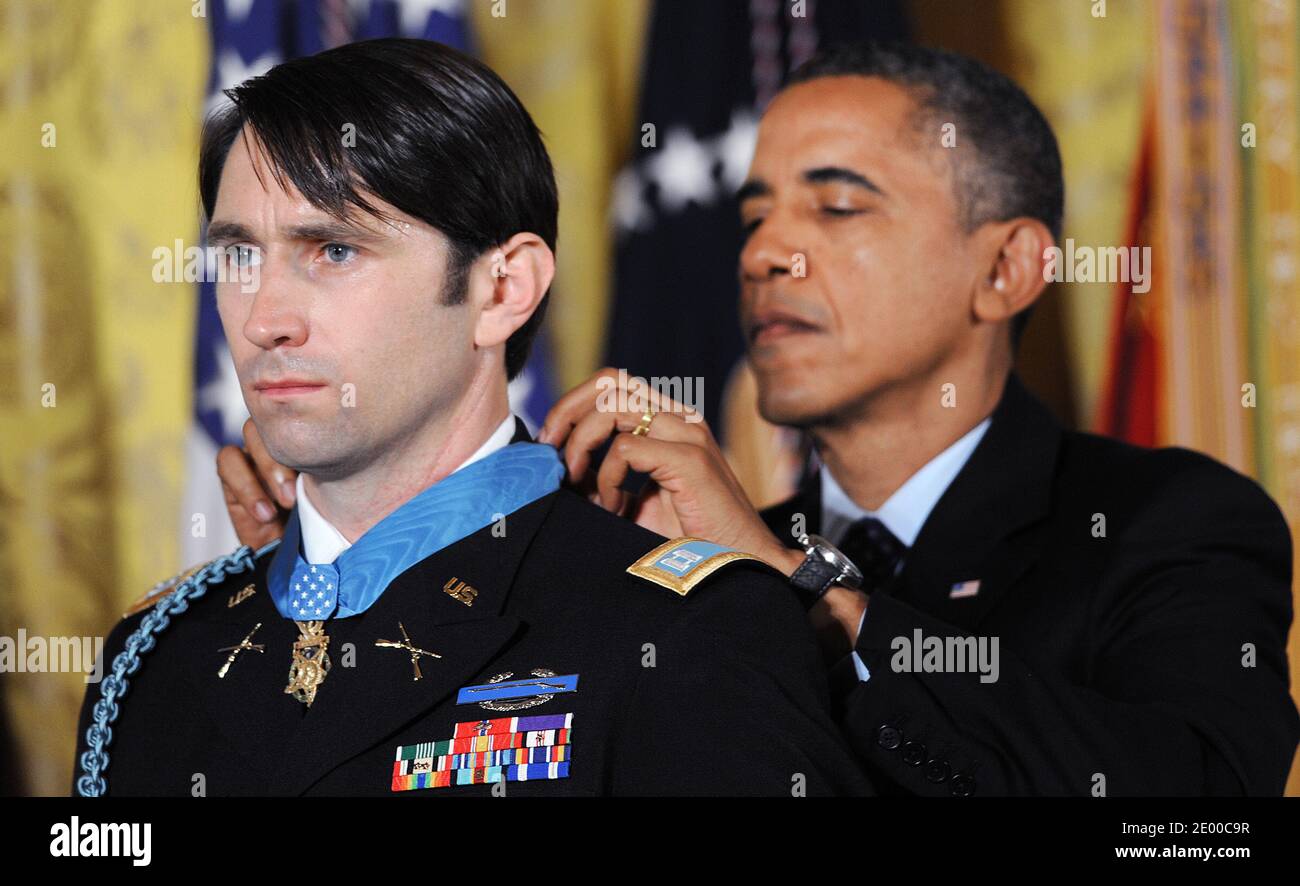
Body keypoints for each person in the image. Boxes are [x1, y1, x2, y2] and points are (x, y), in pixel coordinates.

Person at [223, 40, 1299, 796]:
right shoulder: (678, 561)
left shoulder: (1169, 522)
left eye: (835, 206)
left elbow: (1196, 813)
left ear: (1007, 267)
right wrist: (352, 568)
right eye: (752, 215)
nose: (761, 252)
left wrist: (808, 599)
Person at [71, 38, 871, 798]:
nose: (263, 320)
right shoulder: (153, 656)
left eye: (334, 251)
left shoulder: (685, 634)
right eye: (239, 256)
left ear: (502, 291)